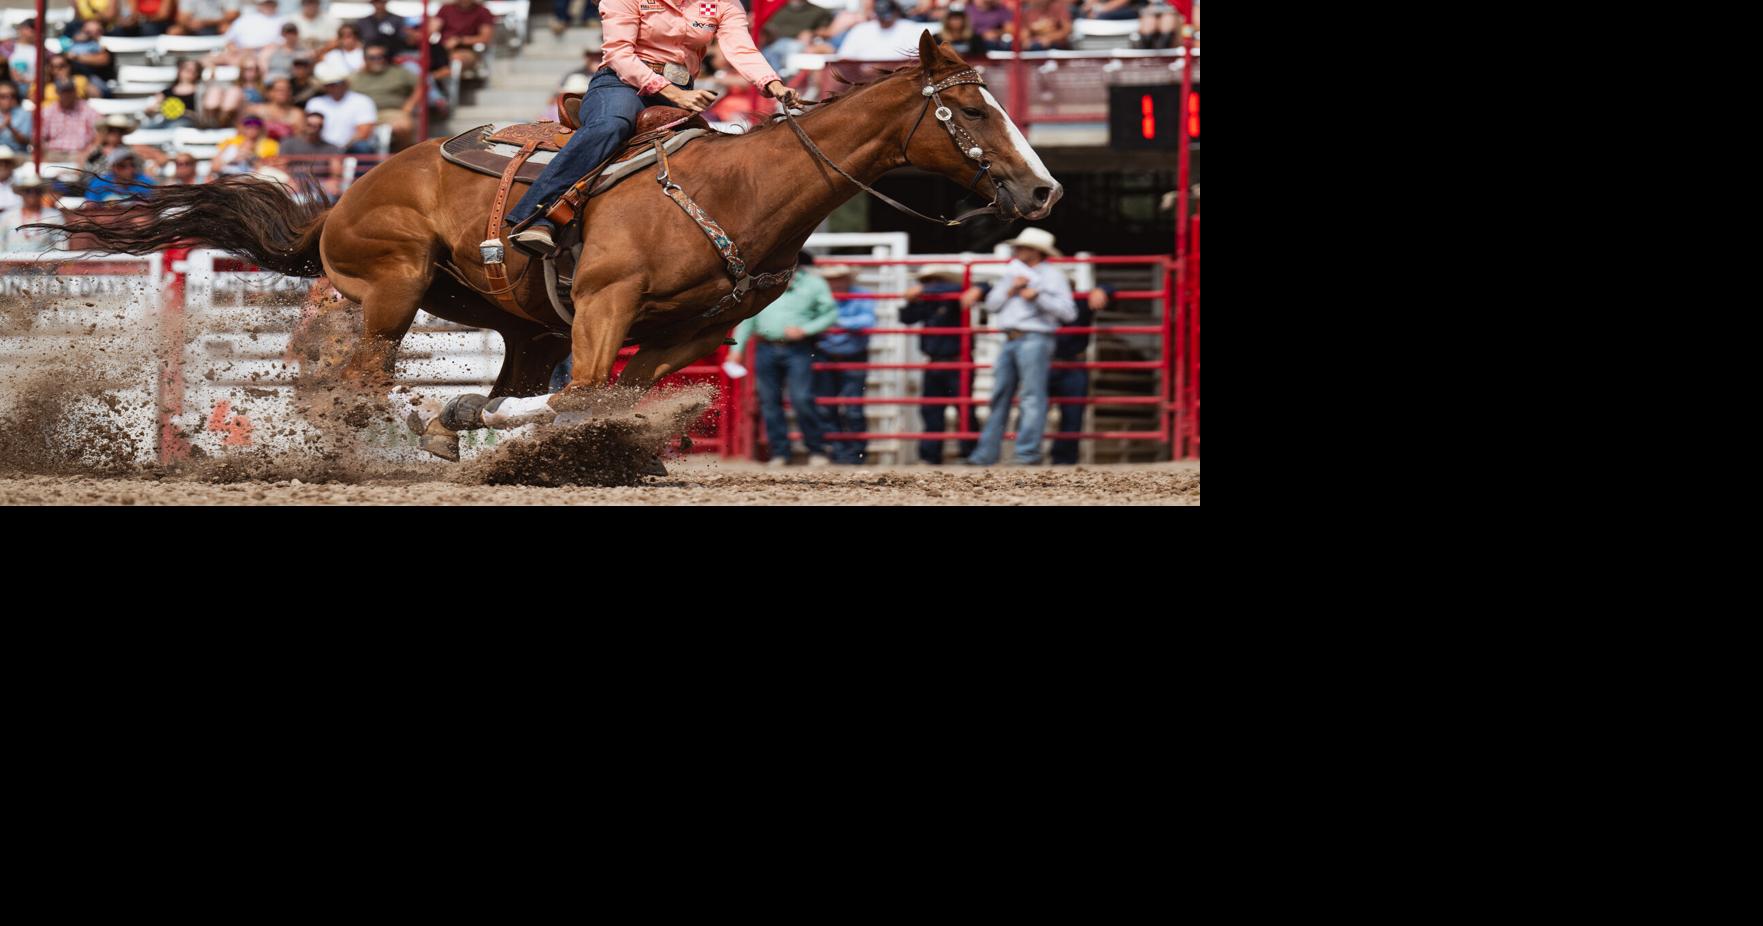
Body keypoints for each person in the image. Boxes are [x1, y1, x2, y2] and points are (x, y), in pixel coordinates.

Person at [505, 0, 796, 258]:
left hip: (680, 90)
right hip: (620, 83)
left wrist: (773, 84)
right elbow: (620, 55)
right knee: (611, 126)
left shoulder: (721, 4)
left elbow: (741, 48)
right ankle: (535, 215)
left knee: (706, 155)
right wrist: (675, 93)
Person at [964, 228, 1075, 466]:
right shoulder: (1012, 274)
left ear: (1035, 252)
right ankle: (988, 454)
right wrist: (1011, 289)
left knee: (1031, 397)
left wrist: (1037, 297)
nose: (1016, 250)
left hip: (1036, 337)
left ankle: (1026, 454)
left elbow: (1068, 312)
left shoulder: (1052, 276)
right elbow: (993, 304)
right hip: (1012, 339)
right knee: (1002, 395)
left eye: (1022, 247)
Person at [730, 252, 838, 467]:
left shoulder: (813, 283)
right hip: (766, 347)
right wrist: (737, 348)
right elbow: (749, 318)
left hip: (798, 347)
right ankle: (780, 452)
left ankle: (815, 449)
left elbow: (830, 314)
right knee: (769, 402)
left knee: (801, 399)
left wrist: (805, 330)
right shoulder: (763, 282)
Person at [901, 265, 976, 464]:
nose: (931, 285)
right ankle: (931, 455)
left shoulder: (955, 296)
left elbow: (974, 289)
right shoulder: (928, 303)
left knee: (964, 410)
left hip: (957, 361)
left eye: (936, 280)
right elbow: (906, 318)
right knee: (931, 410)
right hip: (936, 362)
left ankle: (969, 453)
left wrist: (925, 291)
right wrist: (911, 301)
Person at [812, 264, 873, 464]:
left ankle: (856, 453)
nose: (835, 282)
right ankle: (839, 451)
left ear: (848, 279)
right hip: (827, 354)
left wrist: (833, 321)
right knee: (826, 406)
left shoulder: (862, 294)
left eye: (839, 278)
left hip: (852, 355)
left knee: (853, 407)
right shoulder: (820, 297)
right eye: (831, 279)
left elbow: (868, 321)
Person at [1048, 284, 1107, 465]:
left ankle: (1064, 460)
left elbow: (1109, 290)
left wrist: (1102, 290)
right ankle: (1028, 454)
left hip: (1072, 362)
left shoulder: (1081, 301)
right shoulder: (1040, 301)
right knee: (1032, 410)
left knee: (1073, 414)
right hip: (1045, 363)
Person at [346, 44, 422, 149]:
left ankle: (402, 157)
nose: (377, 60)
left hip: (392, 112)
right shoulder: (355, 77)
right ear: (365, 59)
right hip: (362, 115)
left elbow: (422, 85)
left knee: (403, 126)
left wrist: (409, 105)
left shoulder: (399, 72)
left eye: (380, 57)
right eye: (372, 58)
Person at [304, 61, 379, 152]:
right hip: (321, 147)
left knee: (362, 146)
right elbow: (309, 129)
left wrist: (342, 148)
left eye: (336, 83)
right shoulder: (315, 103)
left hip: (350, 148)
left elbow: (364, 133)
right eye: (329, 84)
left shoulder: (362, 101)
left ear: (345, 83)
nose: (333, 87)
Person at [427, 0, 496, 81]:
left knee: (455, 60)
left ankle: (435, 81)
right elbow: (431, 30)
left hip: (466, 50)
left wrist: (460, 41)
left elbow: (486, 37)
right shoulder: (445, 9)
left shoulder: (483, 12)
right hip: (443, 49)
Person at [836, 0, 923, 61]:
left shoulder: (910, 28)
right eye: (881, 17)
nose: (884, 21)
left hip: (899, 77)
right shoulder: (860, 29)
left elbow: (916, 58)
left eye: (887, 16)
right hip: (863, 79)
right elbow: (845, 57)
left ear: (896, 12)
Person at [1, 175, 63, 251]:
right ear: (21, 193)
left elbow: (61, 245)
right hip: (10, 261)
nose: (33, 194)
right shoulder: (7, 216)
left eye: (37, 191)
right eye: (28, 191)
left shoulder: (54, 216)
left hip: (44, 261)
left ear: (41, 193)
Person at [278, 109, 343, 182]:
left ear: (322, 127)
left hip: (321, 185)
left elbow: (336, 171)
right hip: (294, 184)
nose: (313, 128)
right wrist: (289, 181)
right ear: (303, 124)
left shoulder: (331, 148)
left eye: (318, 125)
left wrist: (333, 181)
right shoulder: (288, 143)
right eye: (309, 124)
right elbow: (281, 166)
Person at [40, 83, 100, 161]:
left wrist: (88, 152)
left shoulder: (87, 110)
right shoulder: (48, 111)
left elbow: (101, 132)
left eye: (70, 92)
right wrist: (43, 154)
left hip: (78, 154)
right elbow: (39, 137)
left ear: (75, 92)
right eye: (63, 92)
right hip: (53, 153)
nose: (67, 95)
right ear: (58, 93)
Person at [144, 58, 204, 127]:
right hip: (166, 121)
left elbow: (203, 116)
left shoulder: (200, 92)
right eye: (186, 69)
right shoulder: (166, 92)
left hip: (187, 122)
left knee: (175, 125)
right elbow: (151, 110)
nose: (189, 72)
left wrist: (184, 112)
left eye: (192, 70)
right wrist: (152, 110)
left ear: (197, 73)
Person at [85, 148, 156, 201]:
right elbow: (90, 208)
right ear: (113, 168)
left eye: (132, 165)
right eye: (122, 166)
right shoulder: (98, 184)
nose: (129, 169)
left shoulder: (147, 184)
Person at [215, 115, 280, 173]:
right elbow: (215, 166)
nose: (252, 129)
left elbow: (272, 169)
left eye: (256, 127)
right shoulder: (230, 142)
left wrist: (252, 159)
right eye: (248, 126)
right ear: (242, 127)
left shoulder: (270, 145)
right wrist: (233, 159)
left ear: (261, 129)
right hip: (228, 176)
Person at [0, 82, 33, 152]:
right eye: (3, 96)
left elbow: (25, 141)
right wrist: (3, 126)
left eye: (12, 96)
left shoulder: (24, 114)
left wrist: (11, 128)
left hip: (17, 155)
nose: (8, 99)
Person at [0, 147, 21, 212]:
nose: (3, 166)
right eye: (0, 163)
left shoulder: (20, 182)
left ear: (12, 165)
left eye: (7, 163)